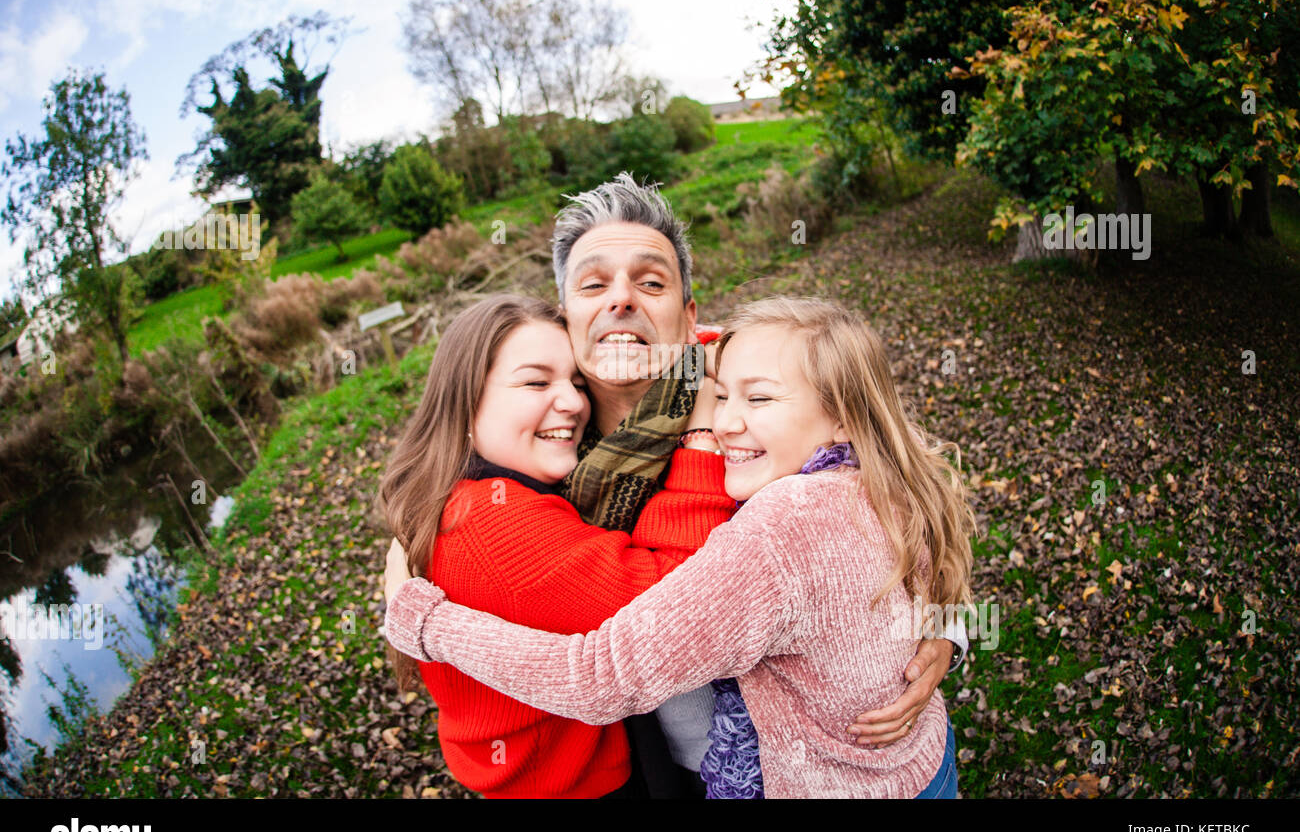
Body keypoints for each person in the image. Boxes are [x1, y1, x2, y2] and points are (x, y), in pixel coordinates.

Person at [389, 172, 967, 795]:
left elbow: (907, 492)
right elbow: (471, 516)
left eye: (651, 281)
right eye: (593, 284)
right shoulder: (541, 447)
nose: (621, 300)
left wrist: (941, 633)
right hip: (668, 763)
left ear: (689, 316)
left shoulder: (755, 392)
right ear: (567, 317)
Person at [379, 294, 734, 797]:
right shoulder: (492, 523)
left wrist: (698, 346)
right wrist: (700, 439)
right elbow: (674, 599)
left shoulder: (456, 491)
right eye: (536, 381)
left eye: (575, 380)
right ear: (463, 401)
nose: (573, 402)